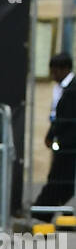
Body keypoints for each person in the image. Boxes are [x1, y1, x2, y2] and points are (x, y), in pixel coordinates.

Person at [33, 51, 76, 214]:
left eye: (54, 71)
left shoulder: (71, 90)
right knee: (61, 179)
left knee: (59, 178)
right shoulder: (62, 88)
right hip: (63, 141)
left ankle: (41, 211)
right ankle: (51, 209)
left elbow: (65, 117)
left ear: (64, 69)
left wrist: (51, 135)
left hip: (68, 143)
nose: (52, 75)